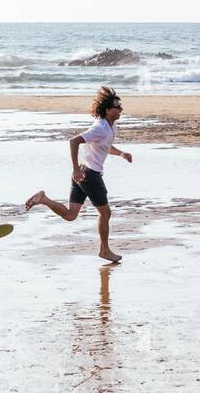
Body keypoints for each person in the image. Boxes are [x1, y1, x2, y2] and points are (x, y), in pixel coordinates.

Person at [24, 85, 131, 263]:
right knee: (106, 214)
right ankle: (104, 250)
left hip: (83, 173)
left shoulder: (110, 127)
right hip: (89, 175)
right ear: (107, 110)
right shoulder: (100, 128)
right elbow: (74, 141)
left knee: (70, 215)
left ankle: (44, 199)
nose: (121, 109)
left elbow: (104, 146)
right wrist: (75, 168)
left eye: (120, 106)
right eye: (117, 107)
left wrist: (120, 153)